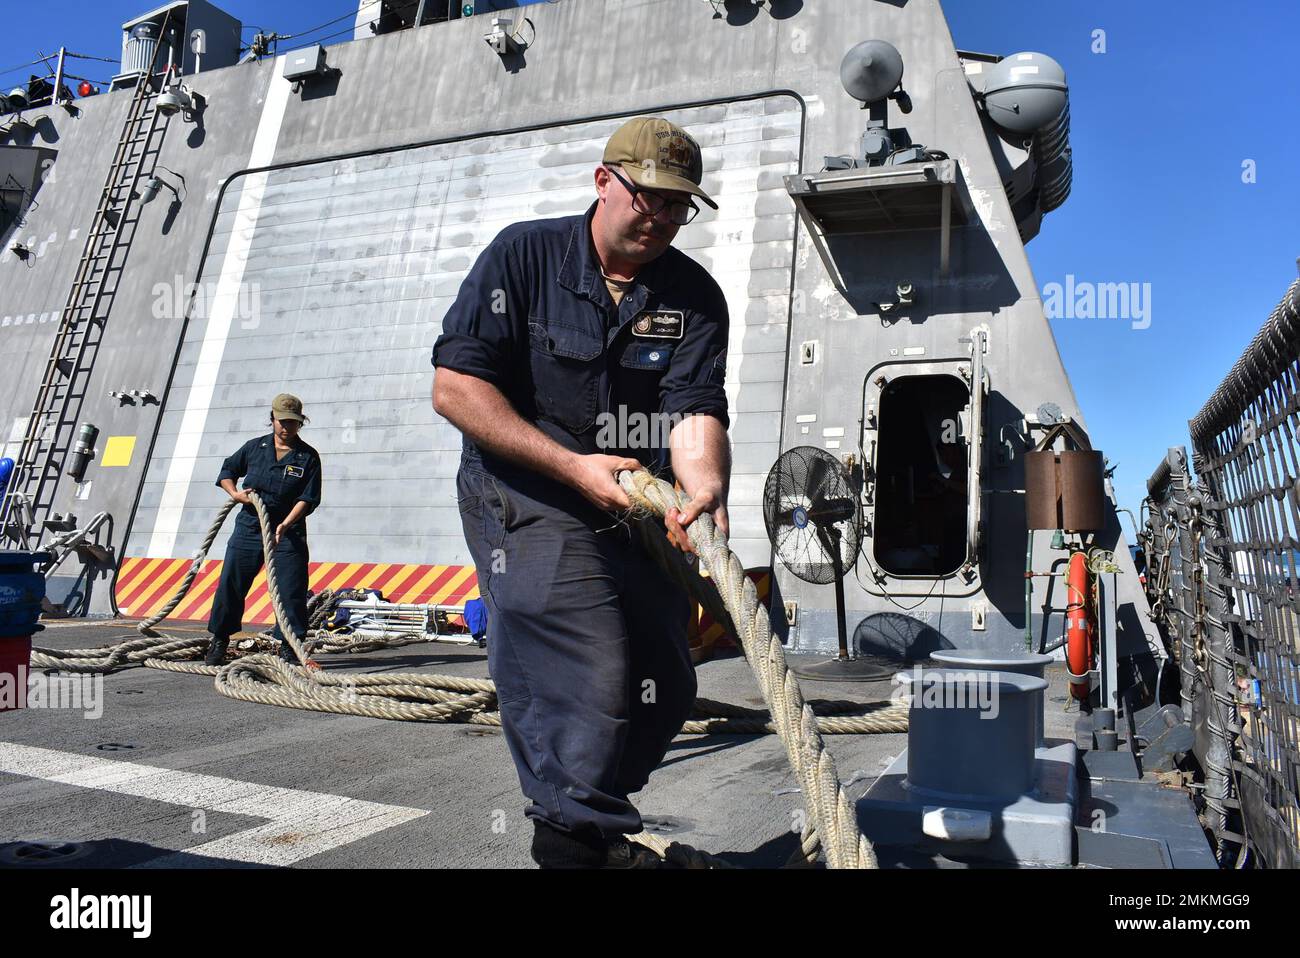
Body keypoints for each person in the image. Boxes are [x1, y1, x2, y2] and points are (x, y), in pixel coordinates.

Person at [431, 116, 732, 868]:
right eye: (649, 198)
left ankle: (589, 822)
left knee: (666, 677)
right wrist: (570, 468)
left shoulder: (694, 297)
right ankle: (574, 840)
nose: (662, 219)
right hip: (527, 488)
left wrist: (704, 490)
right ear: (604, 182)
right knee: (589, 661)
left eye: (678, 207)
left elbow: (692, 407)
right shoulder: (522, 256)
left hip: (631, 498)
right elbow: (457, 390)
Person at [204, 393, 323, 667]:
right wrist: (235, 494)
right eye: (281, 421)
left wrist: (285, 524)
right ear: (272, 419)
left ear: (300, 424)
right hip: (249, 527)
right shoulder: (254, 448)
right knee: (231, 584)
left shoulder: (308, 457)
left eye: (292, 423)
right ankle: (220, 639)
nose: (286, 427)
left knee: (291, 589)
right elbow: (227, 471)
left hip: (287, 531)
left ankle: (289, 646)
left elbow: (308, 498)